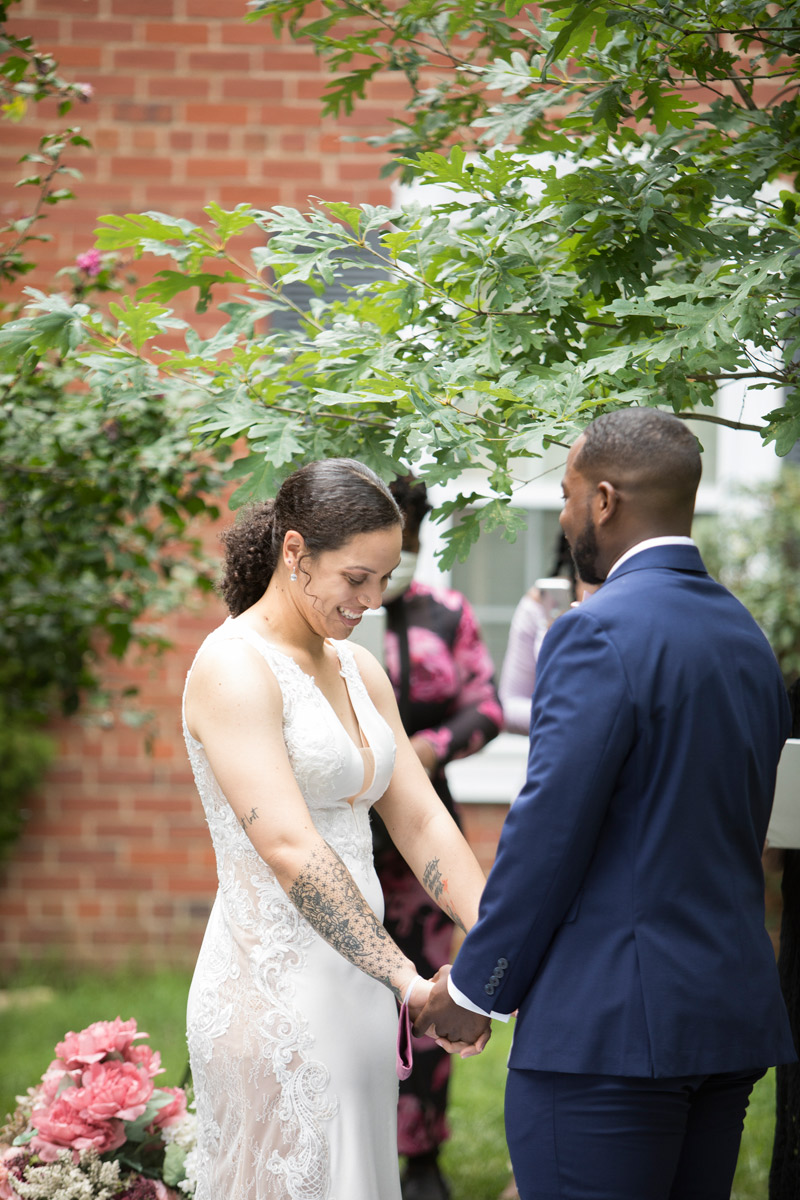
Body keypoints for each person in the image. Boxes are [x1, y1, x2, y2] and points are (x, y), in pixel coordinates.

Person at [416, 408, 796, 1200]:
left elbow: (551, 832)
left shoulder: (593, 634)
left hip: (611, 1033)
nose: (561, 514)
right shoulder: (746, 638)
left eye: (565, 493)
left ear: (605, 500)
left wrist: (472, 988)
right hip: (725, 1017)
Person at [181, 458, 488, 1200]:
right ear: (294, 553)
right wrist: (409, 984)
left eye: (384, 580)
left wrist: (496, 940)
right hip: (272, 992)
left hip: (357, 990)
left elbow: (420, 820)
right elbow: (290, 850)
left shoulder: (358, 670)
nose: (373, 602)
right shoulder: (232, 667)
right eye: (357, 579)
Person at [375, 475, 503, 1200]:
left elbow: (484, 702)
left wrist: (432, 746)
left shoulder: (447, 613)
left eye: (414, 544)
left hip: (423, 829)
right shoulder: (336, 619)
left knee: (426, 992)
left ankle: (421, 1156)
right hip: (343, 833)